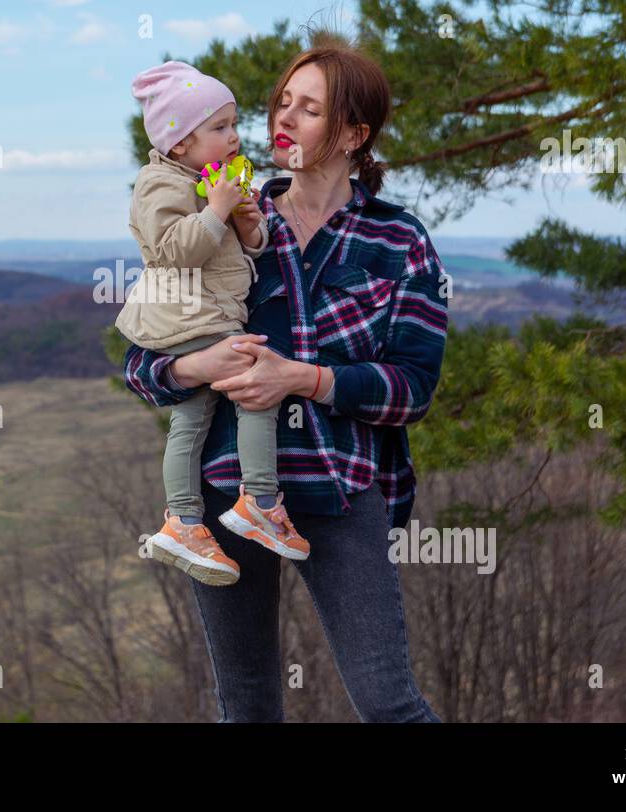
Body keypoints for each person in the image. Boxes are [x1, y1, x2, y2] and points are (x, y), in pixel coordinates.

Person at [122, 43, 448, 722]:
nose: (284, 118)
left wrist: (302, 378)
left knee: (390, 705)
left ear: (354, 136)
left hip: (340, 490)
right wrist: (194, 369)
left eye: (310, 108)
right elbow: (144, 365)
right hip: (225, 497)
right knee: (246, 706)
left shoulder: (399, 241)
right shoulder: (229, 215)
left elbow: (413, 388)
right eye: (282, 103)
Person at [116, 60, 310, 589]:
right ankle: (261, 501)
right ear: (179, 143)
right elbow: (172, 252)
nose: (234, 136)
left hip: (210, 311)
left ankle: (183, 520)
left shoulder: (212, 178)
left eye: (233, 124)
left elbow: (241, 252)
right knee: (256, 387)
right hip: (186, 312)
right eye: (220, 127)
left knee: (192, 416)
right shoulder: (160, 181)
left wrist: (248, 223)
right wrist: (217, 208)